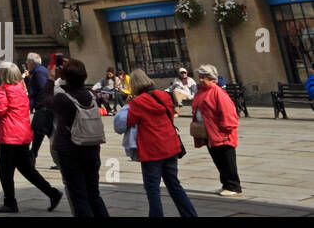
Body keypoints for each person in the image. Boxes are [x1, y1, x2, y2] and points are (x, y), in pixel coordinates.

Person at [0, 63, 62, 213]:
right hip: (24, 134)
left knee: (5, 170)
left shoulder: (3, 90)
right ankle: (52, 193)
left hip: (9, 136)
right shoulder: (21, 88)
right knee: (27, 169)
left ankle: (10, 202)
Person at [121, 69, 195, 217]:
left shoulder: (138, 102)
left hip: (152, 150)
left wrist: (127, 106)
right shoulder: (164, 95)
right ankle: (190, 214)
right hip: (170, 145)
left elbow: (127, 122)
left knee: (153, 189)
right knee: (174, 185)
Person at [51, 58, 108, 217]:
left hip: (70, 152)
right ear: (84, 76)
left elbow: (44, 98)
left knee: (79, 197)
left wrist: (52, 77)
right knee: (93, 194)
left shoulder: (63, 99)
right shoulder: (91, 95)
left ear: (66, 77)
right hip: (92, 149)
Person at [191, 64, 241, 196]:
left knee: (227, 160)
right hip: (208, 133)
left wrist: (226, 129)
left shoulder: (217, 92)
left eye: (204, 77)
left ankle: (234, 186)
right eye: (200, 77)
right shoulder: (202, 91)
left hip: (221, 133)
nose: (201, 79)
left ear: (212, 78)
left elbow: (228, 112)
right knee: (218, 160)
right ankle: (226, 184)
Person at [25, 53, 51, 161]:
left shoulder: (39, 72)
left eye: (27, 61)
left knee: (40, 131)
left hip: (44, 107)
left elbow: (42, 89)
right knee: (41, 133)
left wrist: (37, 105)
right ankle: (32, 156)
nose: (26, 63)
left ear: (31, 62)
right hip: (45, 107)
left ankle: (32, 156)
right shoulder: (40, 70)